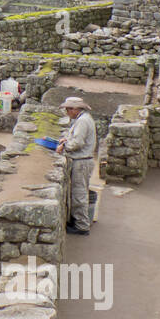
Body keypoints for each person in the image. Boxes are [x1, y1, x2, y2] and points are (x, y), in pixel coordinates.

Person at [56, 96, 97, 235]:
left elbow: (78, 143)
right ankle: (79, 221)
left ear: (74, 109)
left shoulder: (83, 121)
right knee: (80, 192)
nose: (67, 112)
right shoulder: (83, 119)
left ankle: (81, 226)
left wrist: (64, 146)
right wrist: (66, 139)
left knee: (79, 194)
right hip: (83, 161)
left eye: (68, 109)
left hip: (81, 161)